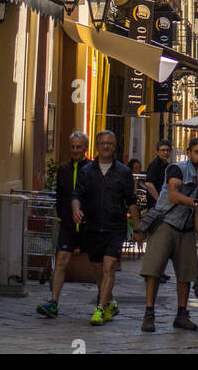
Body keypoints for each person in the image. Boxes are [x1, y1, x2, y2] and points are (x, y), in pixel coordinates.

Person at [139, 135, 198, 333]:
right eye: (197, 152)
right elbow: (174, 195)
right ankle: (149, 313)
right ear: (189, 153)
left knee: (185, 273)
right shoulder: (177, 168)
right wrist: (197, 203)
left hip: (187, 228)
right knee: (154, 270)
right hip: (166, 223)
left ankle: (181, 314)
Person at [71, 129, 141, 326]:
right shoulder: (86, 172)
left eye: (109, 143)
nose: (106, 146)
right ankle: (110, 302)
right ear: (97, 146)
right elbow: (76, 195)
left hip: (115, 227)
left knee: (109, 267)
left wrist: (137, 228)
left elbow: (131, 201)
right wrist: (76, 210)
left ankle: (100, 309)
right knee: (98, 270)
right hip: (92, 226)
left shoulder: (124, 172)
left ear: (114, 146)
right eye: (102, 143)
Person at [36, 131, 92, 319]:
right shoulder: (64, 169)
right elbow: (60, 196)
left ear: (85, 149)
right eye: (73, 147)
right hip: (68, 224)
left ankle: (106, 301)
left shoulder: (92, 169)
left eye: (79, 147)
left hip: (88, 225)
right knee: (60, 261)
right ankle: (53, 302)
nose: (75, 150)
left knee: (99, 265)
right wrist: (62, 217)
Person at [144, 138, 172, 203]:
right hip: (155, 203)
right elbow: (149, 184)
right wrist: (158, 200)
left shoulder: (167, 165)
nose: (166, 152)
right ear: (157, 152)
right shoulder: (155, 165)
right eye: (163, 150)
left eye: (168, 150)